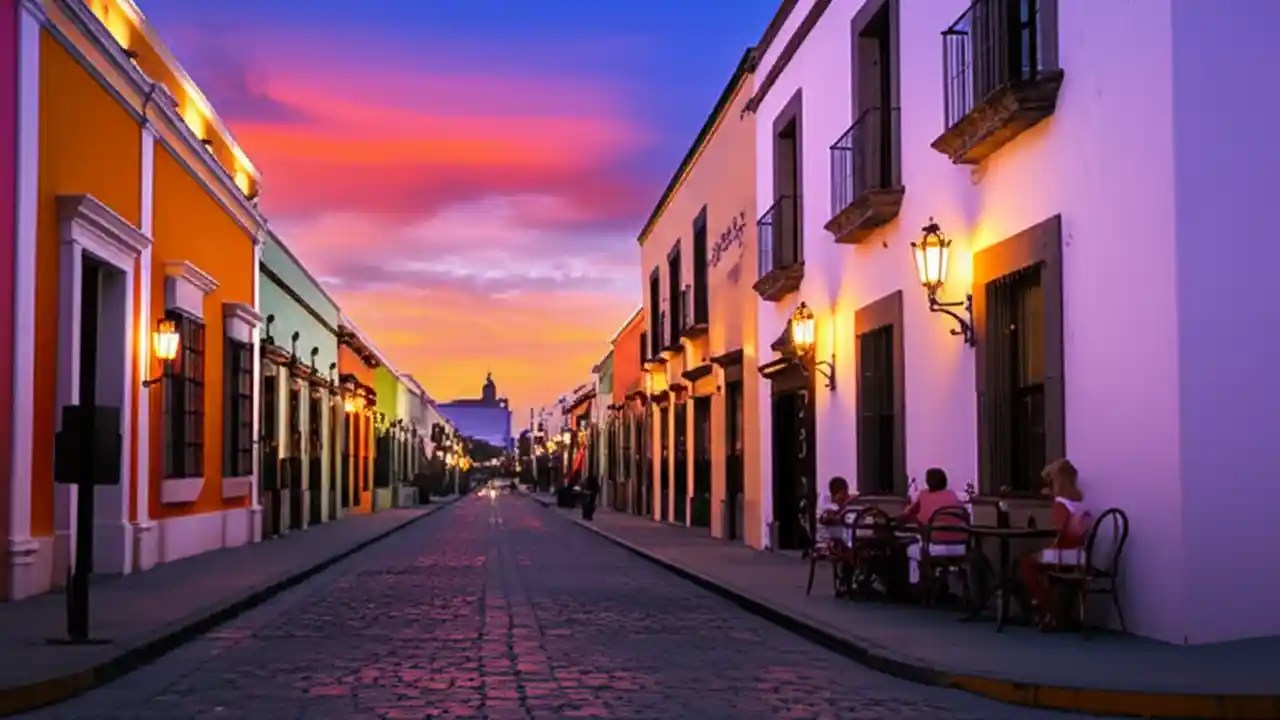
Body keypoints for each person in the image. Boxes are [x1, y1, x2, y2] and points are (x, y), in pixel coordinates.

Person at [1019, 458, 1091, 629]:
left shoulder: (1060, 505)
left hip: (1063, 555)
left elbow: (1060, 532)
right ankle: (1054, 609)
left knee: (1025, 563)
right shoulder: (1080, 502)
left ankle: (1047, 608)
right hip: (1079, 554)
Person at [900, 468, 967, 588]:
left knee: (911, 549)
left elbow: (911, 516)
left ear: (927, 482)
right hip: (960, 546)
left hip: (935, 545)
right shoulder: (952, 495)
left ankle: (915, 586)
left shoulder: (924, 496)